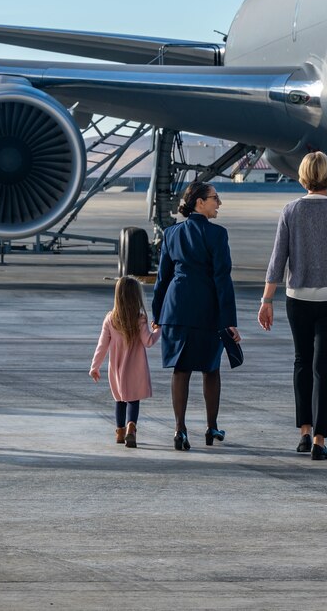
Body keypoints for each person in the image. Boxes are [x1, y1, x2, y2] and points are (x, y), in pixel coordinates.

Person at [259, 152, 327, 461]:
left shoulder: (290, 211)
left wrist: (267, 300)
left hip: (298, 298)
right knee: (325, 368)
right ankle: (320, 440)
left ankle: (304, 433)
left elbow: (277, 260)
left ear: (303, 177)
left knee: (302, 363)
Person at [152, 181, 241, 451]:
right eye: (215, 198)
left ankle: (180, 430)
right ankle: (211, 427)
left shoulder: (171, 233)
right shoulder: (217, 235)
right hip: (207, 310)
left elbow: (162, 279)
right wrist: (229, 321)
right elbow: (222, 279)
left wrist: (158, 314)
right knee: (210, 368)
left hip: (176, 309)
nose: (219, 203)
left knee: (180, 370)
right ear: (199, 203)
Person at [90, 276, 161, 448]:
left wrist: (95, 366)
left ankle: (120, 432)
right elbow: (148, 342)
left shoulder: (110, 319)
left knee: (119, 400)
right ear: (135, 296)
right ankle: (131, 427)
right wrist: (159, 329)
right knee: (133, 399)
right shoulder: (140, 318)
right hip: (136, 368)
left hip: (116, 368)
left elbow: (102, 345)